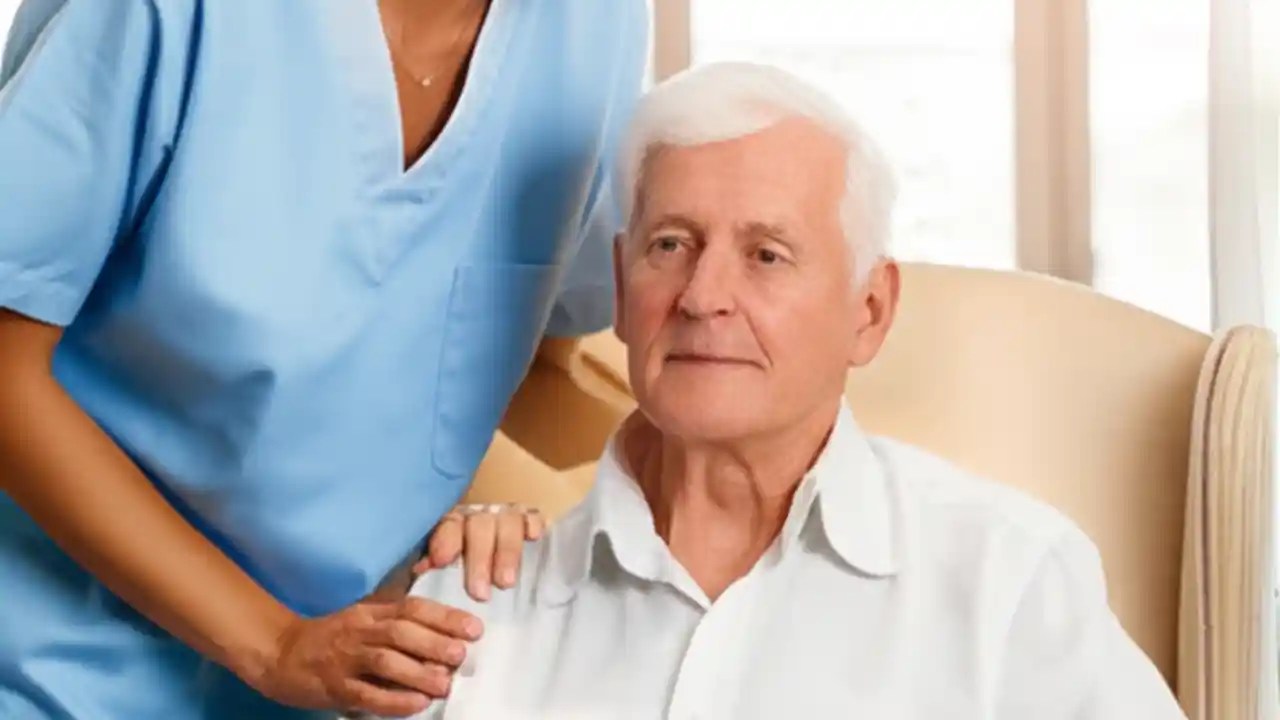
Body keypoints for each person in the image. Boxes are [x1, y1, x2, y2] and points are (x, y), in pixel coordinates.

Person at [396, 62, 1189, 719]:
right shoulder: (473, 603)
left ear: (869, 312)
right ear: (620, 285)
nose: (703, 295)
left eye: (766, 255)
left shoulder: (1006, 580)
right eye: (670, 244)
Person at [0, 0, 647, 717]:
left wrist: (508, 517)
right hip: (49, 667)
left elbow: (532, 352)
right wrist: (275, 644)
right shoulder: (172, 16)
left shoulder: (597, 24)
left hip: (344, 687)